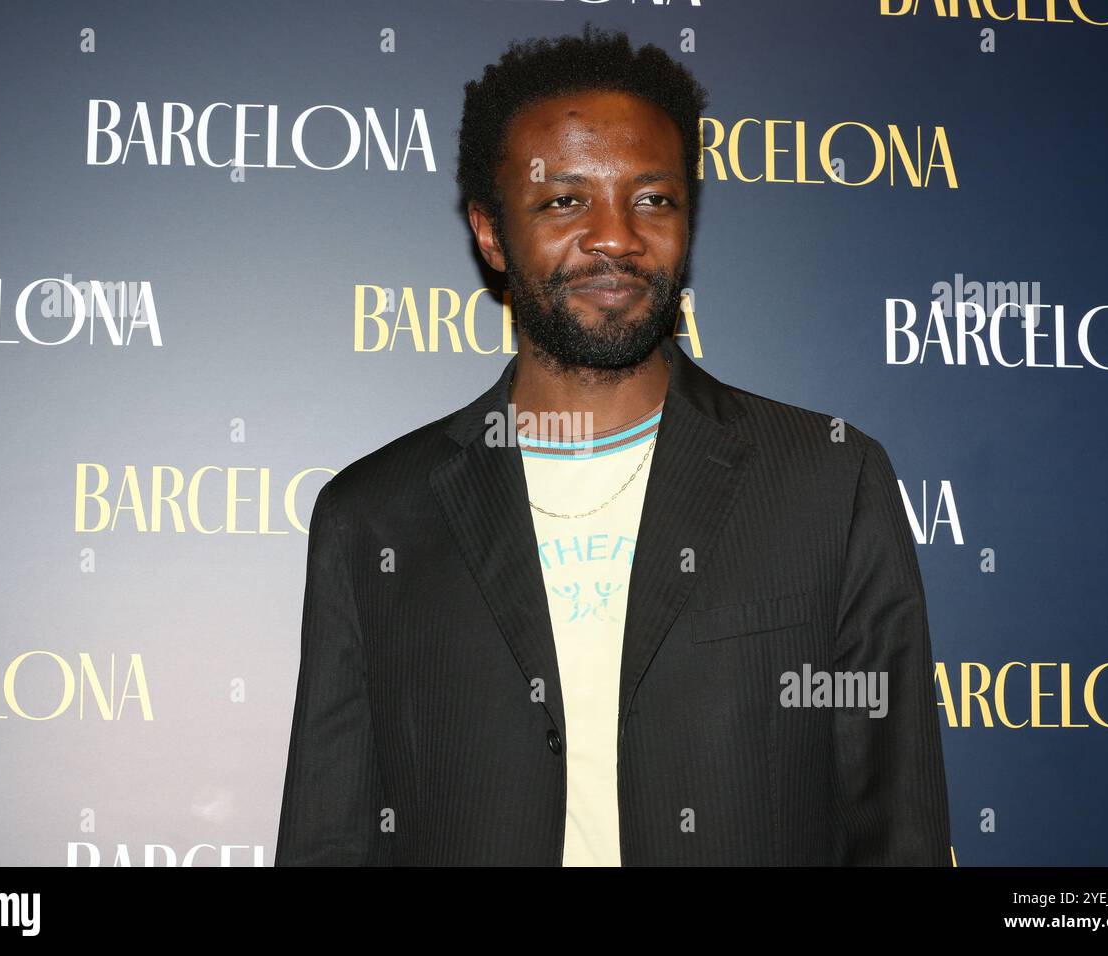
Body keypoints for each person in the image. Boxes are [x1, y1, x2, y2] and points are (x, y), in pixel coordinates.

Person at [275, 22, 951, 866]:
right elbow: (331, 837)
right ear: (491, 233)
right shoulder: (375, 516)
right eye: (565, 200)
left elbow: (900, 830)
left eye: (653, 198)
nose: (616, 236)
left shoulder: (828, 479)